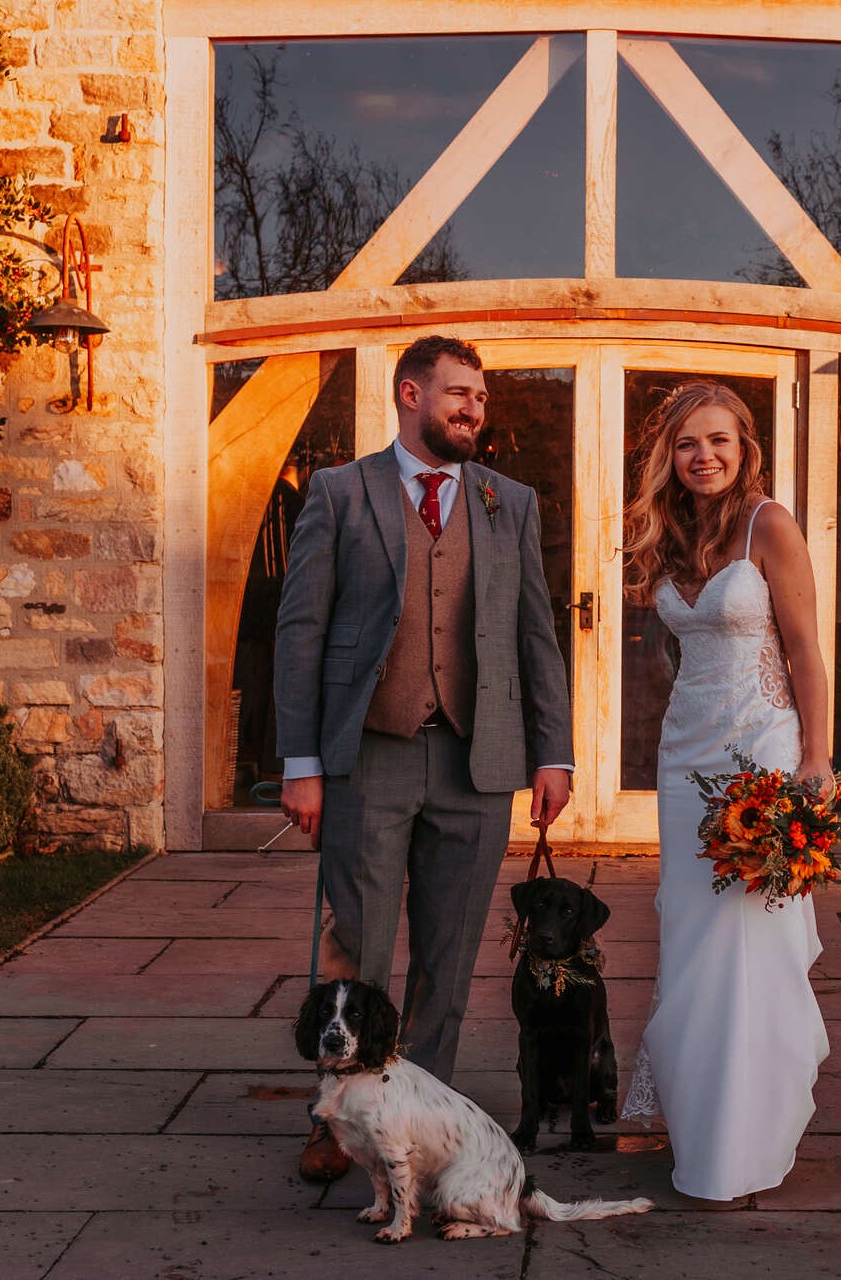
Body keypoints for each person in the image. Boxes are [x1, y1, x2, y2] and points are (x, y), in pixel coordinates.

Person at [274, 334, 574, 1182]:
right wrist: (301, 760)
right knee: (356, 944)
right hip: (368, 755)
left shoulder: (507, 501)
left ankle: (422, 1120)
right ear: (410, 394)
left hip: (479, 761)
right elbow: (300, 634)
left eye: (480, 397)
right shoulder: (339, 493)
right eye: (457, 394)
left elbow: (533, 633)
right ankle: (337, 1123)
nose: (473, 409)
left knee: (449, 953)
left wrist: (554, 752)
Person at [618, 379, 832, 1201]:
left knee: (750, 944)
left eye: (718, 441)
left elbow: (808, 652)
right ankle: (701, 1122)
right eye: (685, 444)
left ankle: (745, 1142)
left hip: (761, 753)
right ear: (667, 457)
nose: (702, 456)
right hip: (685, 760)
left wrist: (816, 760)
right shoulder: (671, 533)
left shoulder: (767, 524)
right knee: (692, 940)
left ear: (746, 447)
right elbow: (680, 650)